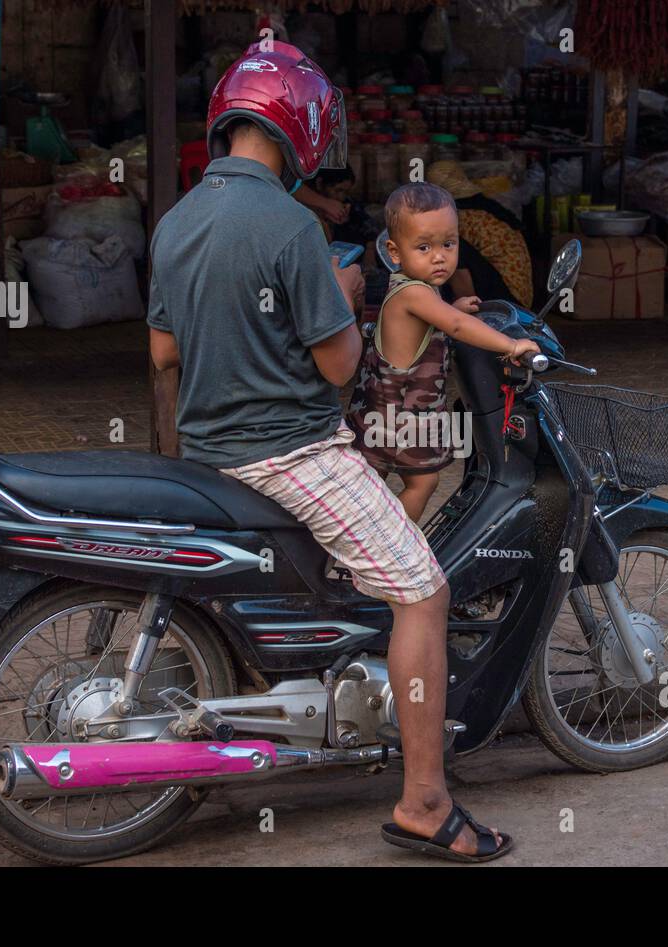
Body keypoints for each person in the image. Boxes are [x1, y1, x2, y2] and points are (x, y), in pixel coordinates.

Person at [145, 41, 513, 861]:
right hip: (291, 454)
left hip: (208, 456)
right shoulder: (289, 224)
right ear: (303, 128)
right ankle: (425, 800)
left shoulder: (175, 221)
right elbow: (343, 365)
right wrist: (344, 296)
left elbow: (164, 359)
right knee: (422, 593)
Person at [346, 182, 539, 523]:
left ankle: (359, 552)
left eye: (448, 244)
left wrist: (453, 307)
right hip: (400, 417)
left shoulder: (413, 289)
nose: (439, 256)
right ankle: (393, 546)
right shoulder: (416, 295)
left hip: (377, 410)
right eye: (423, 247)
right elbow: (456, 327)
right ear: (394, 252)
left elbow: (439, 319)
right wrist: (511, 345)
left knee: (369, 484)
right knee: (422, 482)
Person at [425, 160, 534, 308]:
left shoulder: (463, 214)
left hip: (508, 298)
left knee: (450, 247)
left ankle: (467, 308)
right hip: (519, 295)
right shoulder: (486, 206)